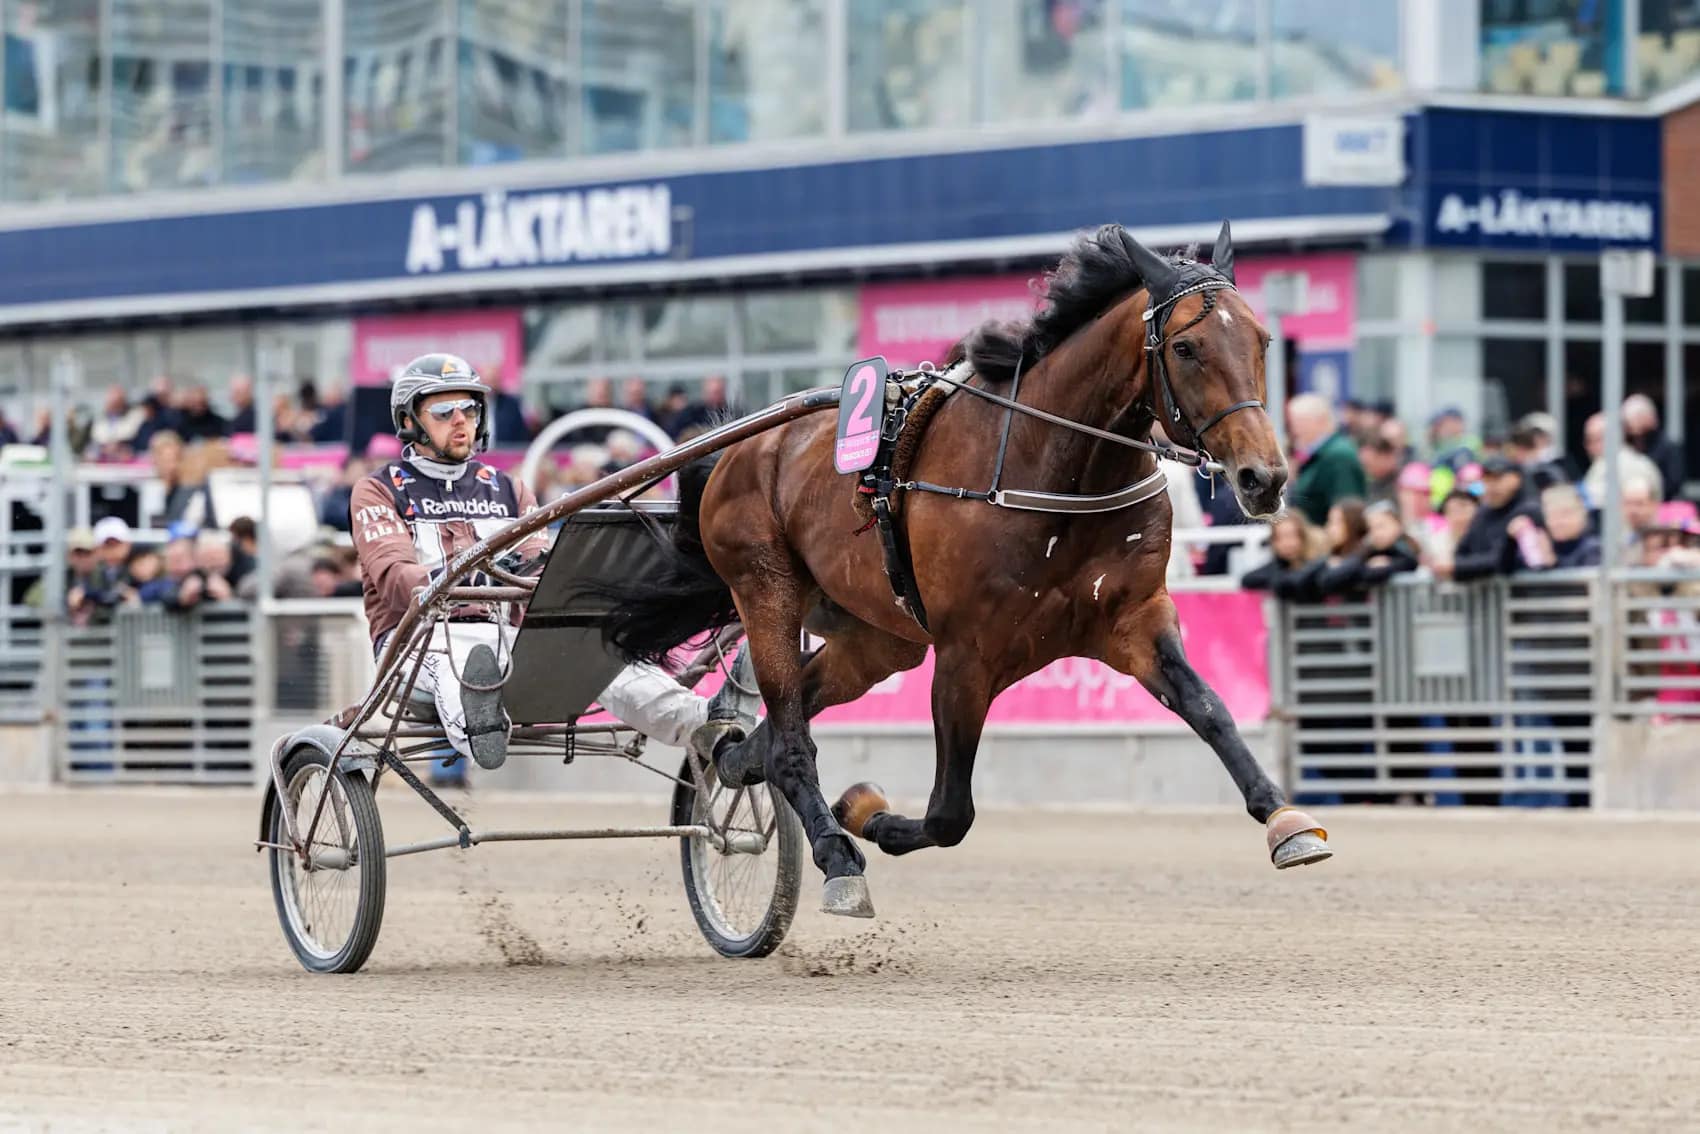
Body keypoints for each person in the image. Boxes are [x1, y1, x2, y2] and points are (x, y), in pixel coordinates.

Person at [350, 353, 760, 772]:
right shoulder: (378, 490)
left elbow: (535, 568)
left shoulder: (508, 489)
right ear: (409, 420)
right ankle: (478, 729)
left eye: (470, 408)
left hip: (508, 638)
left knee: (600, 655)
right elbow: (396, 575)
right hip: (416, 644)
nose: (461, 420)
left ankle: (710, 722)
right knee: (455, 654)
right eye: (443, 410)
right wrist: (464, 579)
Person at [1432, 455, 1542, 581]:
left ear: (1515, 479)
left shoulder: (1529, 511)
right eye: (1486, 479)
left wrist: (1458, 566)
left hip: (1524, 596)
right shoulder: (1483, 514)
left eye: (1497, 478)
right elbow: (1461, 553)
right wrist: (1458, 566)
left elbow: (1504, 561)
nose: (1491, 486)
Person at [1286, 394, 1366, 526]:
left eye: (1299, 422)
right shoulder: (1321, 453)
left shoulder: (1339, 455)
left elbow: (1348, 512)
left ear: (1321, 421)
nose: (1294, 430)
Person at [1622, 394, 1683, 499]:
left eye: (1638, 417)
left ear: (1650, 417)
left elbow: (1674, 482)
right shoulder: (1626, 445)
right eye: (1628, 421)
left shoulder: (1667, 448)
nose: (1631, 425)